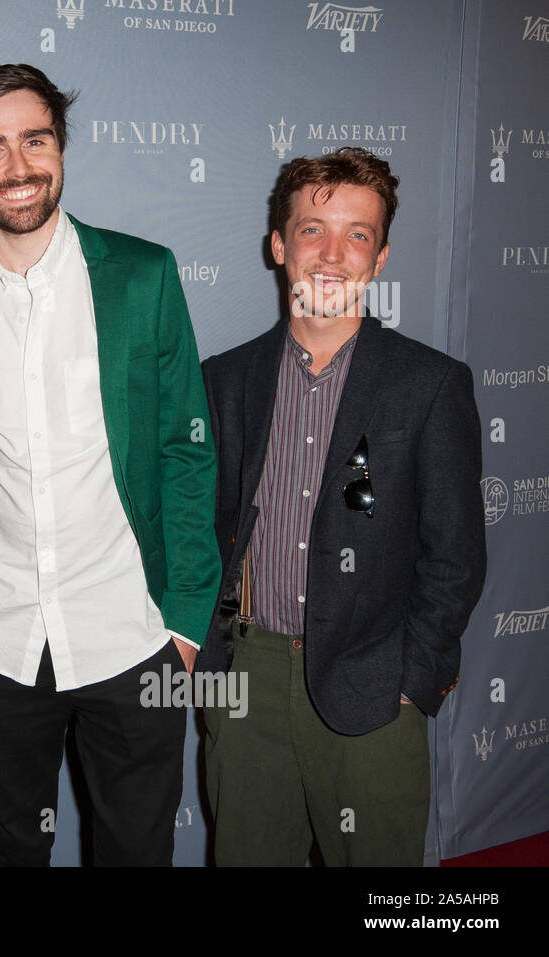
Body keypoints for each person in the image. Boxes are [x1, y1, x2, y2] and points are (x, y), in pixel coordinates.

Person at [0, 64, 220, 866]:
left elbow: (185, 448)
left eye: (35, 140)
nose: (17, 166)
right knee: (13, 842)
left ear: (61, 148)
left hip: (135, 632)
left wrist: (185, 619)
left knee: (136, 849)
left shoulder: (144, 275)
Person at [199, 147, 486, 866]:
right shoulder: (224, 380)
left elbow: (454, 555)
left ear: (380, 257)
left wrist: (413, 680)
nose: (332, 254)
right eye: (312, 230)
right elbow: (200, 531)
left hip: (374, 684)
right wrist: (212, 657)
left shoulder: (429, 385)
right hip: (246, 682)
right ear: (279, 244)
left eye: (357, 234)